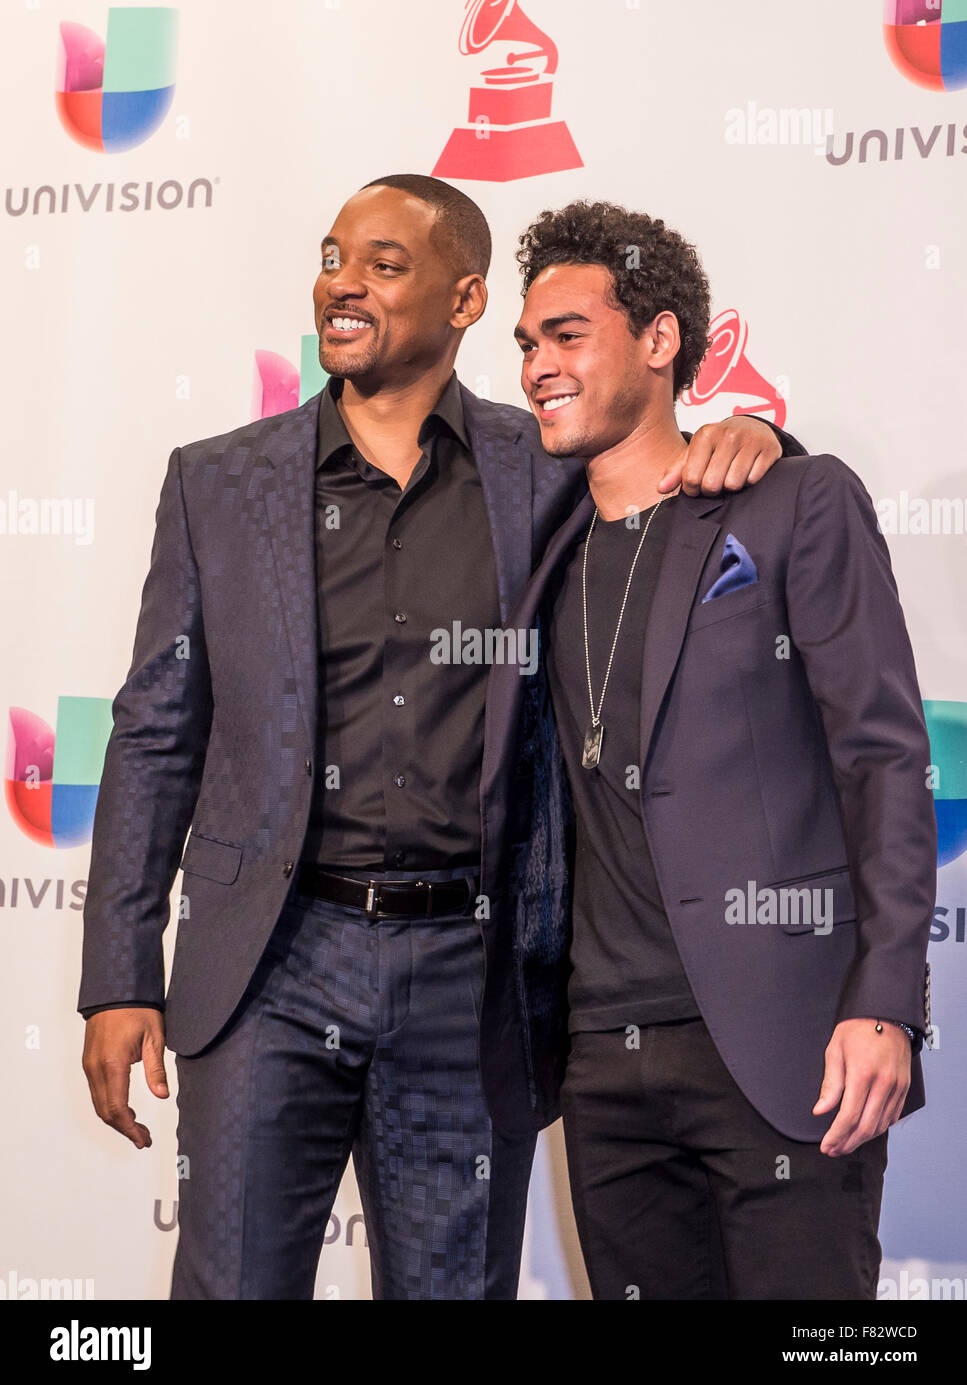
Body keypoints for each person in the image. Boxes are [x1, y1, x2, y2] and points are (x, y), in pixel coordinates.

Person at [78, 175, 802, 1300]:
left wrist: (763, 436)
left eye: (382, 263)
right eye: (330, 257)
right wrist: (118, 974)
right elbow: (153, 737)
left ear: (465, 300)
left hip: (472, 974)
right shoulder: (217, 484)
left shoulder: (548, 470)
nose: (342, 284)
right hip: (272, 963)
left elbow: (674, 464)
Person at [486, 199, 935, 1300]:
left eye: (568, 334)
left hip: (783, 1044)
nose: (538, 363)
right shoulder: (539, 543)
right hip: (600, 1060)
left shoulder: (790, 502)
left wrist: (884, 1001)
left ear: (659, 339)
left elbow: (882, 758)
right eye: (527, 342)